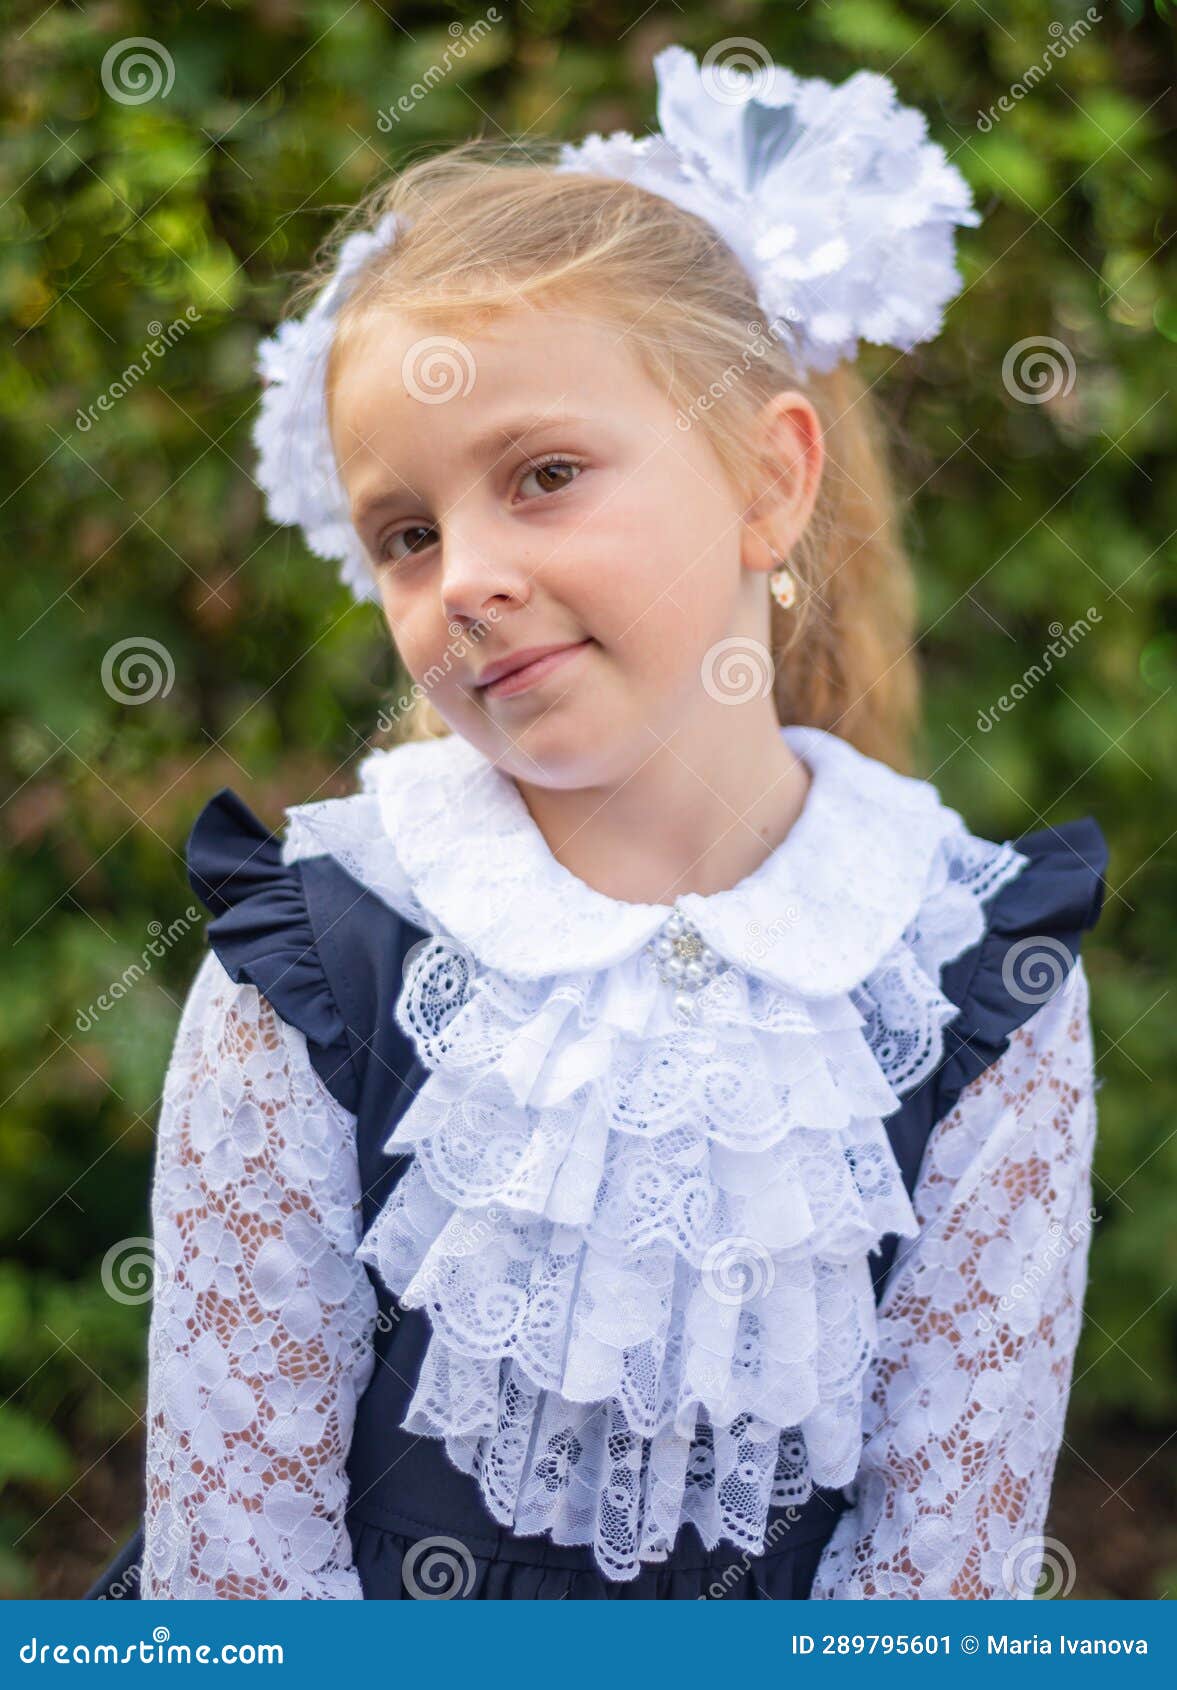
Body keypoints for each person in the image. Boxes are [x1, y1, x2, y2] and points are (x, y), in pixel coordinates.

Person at [85, 44, 1108, 1601]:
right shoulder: (315, 955)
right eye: (407, 534)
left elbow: (939, 1581)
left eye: (544, 474)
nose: (467, 576)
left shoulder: (974, 977)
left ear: (768, 481)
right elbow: (242, 1559)